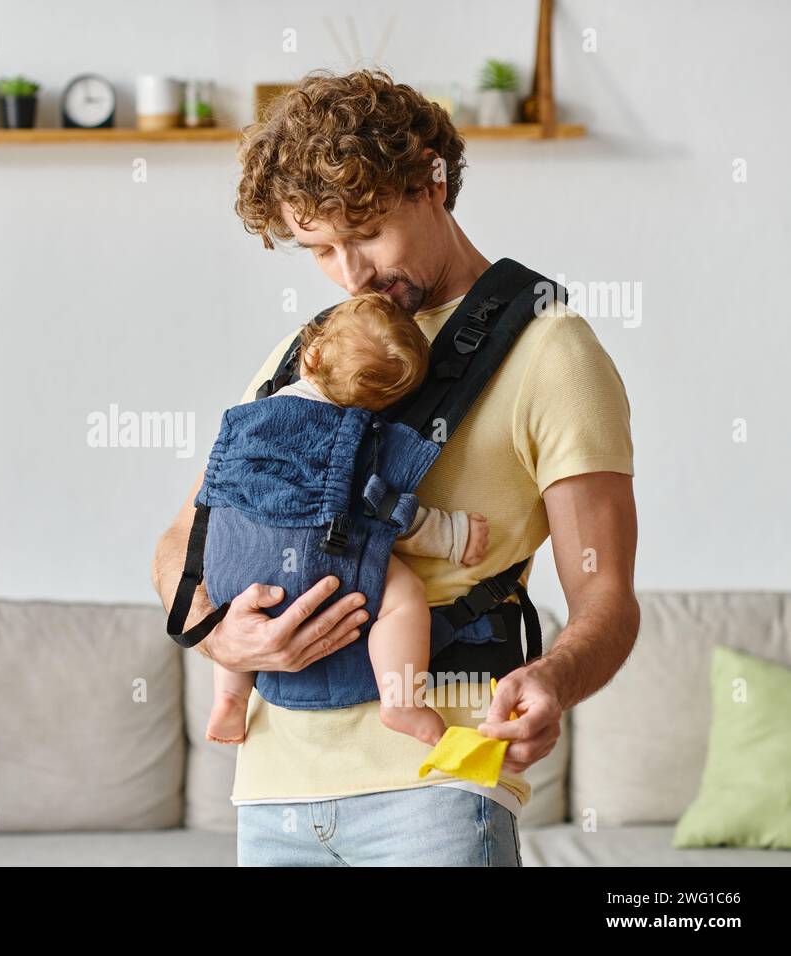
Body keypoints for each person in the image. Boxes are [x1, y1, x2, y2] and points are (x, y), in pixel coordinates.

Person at [151, 69, 638, 867]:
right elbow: (181, 543)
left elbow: (608, 596)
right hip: (272, 792)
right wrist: (217, 634)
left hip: (436, 788)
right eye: (319, 250)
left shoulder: (552, 352)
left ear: (431, 179)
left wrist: (554, 675)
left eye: (366, 232)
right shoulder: (304, 357)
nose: (351, 277)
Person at [202, 293, 488, 748]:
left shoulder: (245, 418)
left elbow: (212, 496)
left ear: (309, 356)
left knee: (235, 612)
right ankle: (402, 701)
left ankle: (229, 702)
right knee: (404, 597)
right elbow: (382, 510)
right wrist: (451, 535)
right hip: (317, 568)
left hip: (231, 571)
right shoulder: (351, 440)